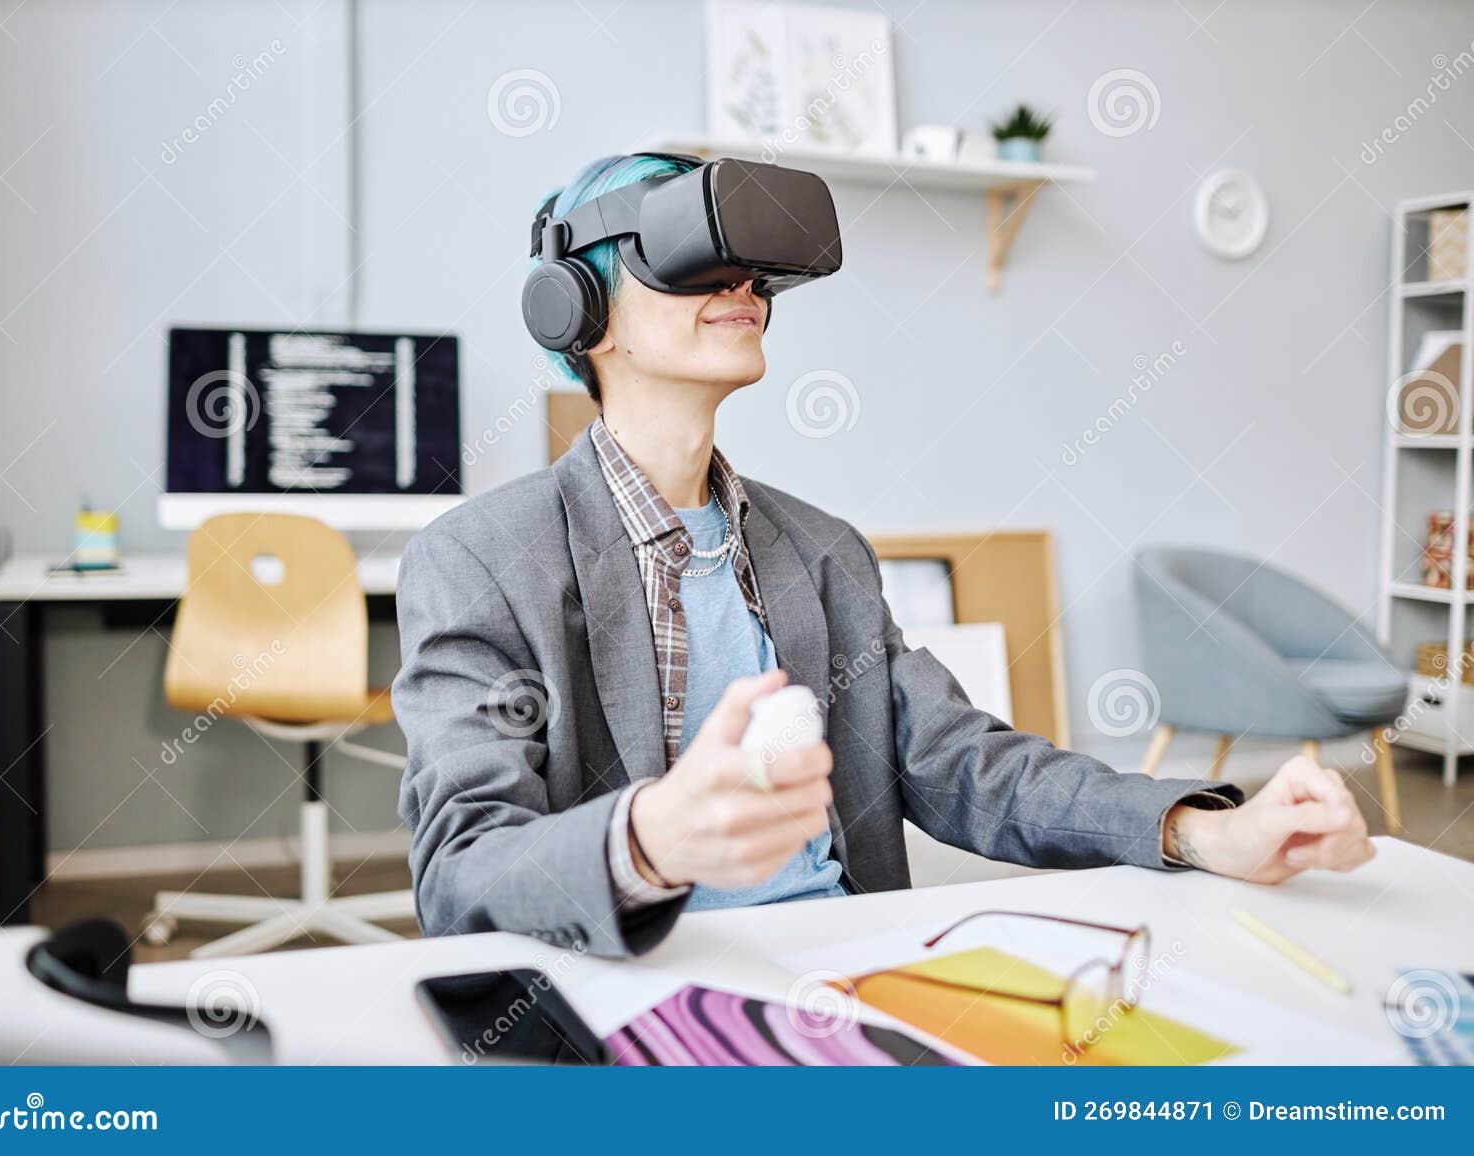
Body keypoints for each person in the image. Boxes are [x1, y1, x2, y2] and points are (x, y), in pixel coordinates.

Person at [391, 153, 1374, 958]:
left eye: (753, 269)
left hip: (842, 969)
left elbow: (961, 762)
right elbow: (461, 871)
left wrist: (1205, 829)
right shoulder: (480, 560)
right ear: (577, 311)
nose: (740, 286)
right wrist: (645, 841)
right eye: (687, 259)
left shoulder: (820, 551)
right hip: (635, 989)